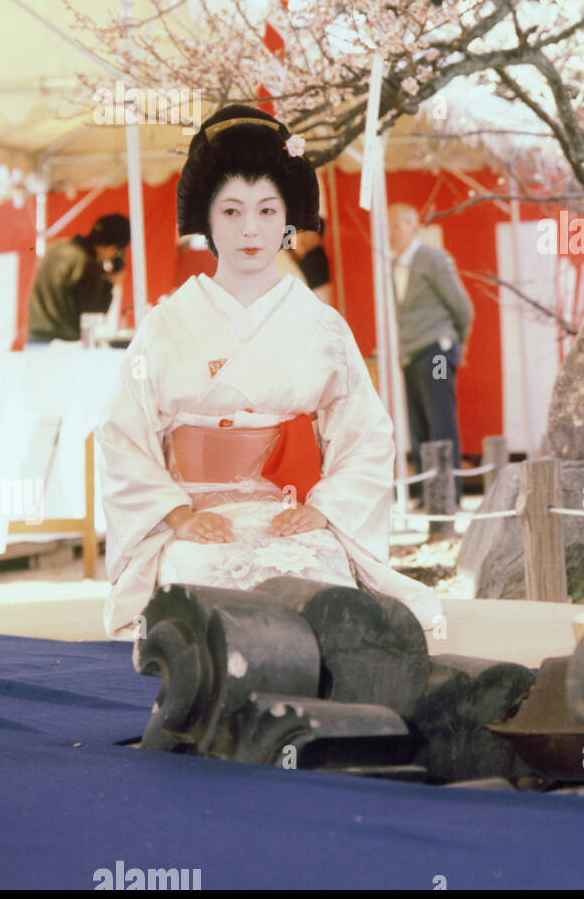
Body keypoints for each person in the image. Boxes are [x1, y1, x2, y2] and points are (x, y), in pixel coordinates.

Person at [95, 105, 442, 640]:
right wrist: (179, 516)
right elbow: (122, 437)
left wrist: (324, 510)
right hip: (195, 521)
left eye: (266, 210)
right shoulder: (165, 325)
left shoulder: (322, 326)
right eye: (231, 211)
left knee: (318, 601)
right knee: (207, 610)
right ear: (206, 220)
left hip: (291, 513)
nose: (250, 229)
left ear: (288, 219)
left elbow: (367, 436)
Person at [389, 203, 473, 506]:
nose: (392, 233)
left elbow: (462, 307)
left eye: (399, 225)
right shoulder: (394, 266)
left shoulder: (433, 260)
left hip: (437, 351)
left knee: (440, 418)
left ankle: (449, 494)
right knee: (419, 424)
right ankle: (429, 495)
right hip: (411, 355)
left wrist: (453, 344)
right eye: (389, 226)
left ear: (415, 227)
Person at [25, 213, 130, 345]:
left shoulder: (55, 247)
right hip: (64, 345)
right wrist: (110, 283)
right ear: (113, 247)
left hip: (35, 338)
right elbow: (93, 313)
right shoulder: (86, 263)